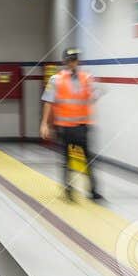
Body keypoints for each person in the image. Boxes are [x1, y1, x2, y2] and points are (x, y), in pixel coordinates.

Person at [40, 48, 103, 202]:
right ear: (65, 61)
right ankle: (68, 190)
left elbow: (93, 95)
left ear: (78, 61)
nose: (72, 63)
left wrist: (96, 93)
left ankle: (93, 191)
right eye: (69, 60)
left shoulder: (87, 78)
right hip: (65, 126)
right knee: (66, 160)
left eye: (74, 59)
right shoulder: (56, 79)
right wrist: (44, 124)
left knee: (88, 160)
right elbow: (48, 101)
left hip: (82, 126)